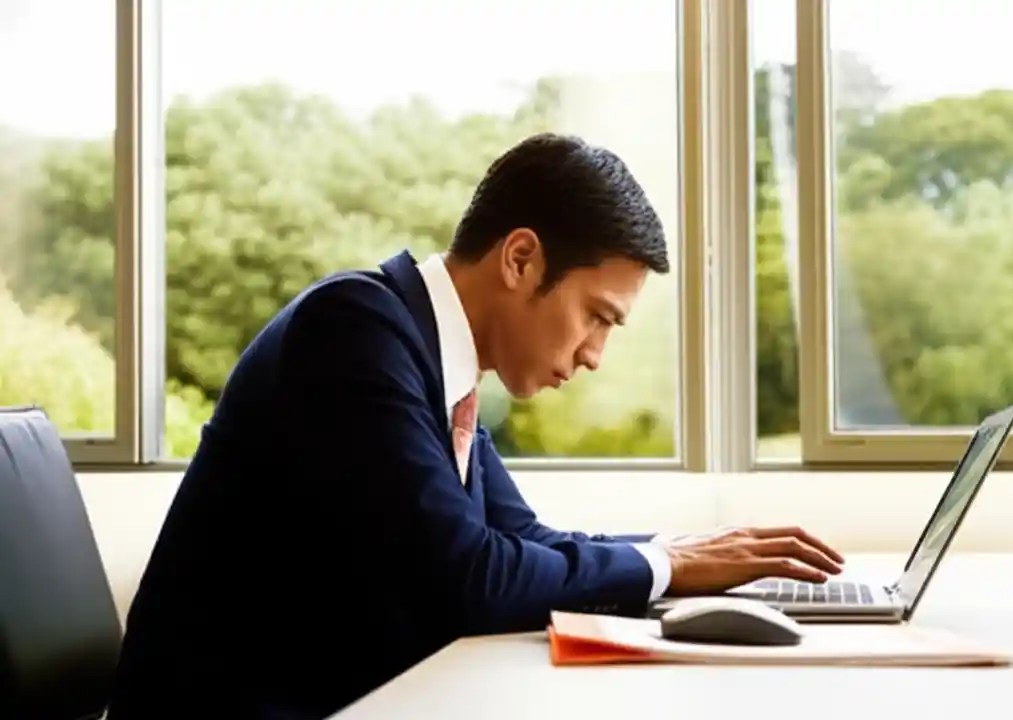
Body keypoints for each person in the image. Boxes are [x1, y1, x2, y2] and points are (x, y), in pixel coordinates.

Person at [108, 133, 844, 718]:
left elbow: (520, 540)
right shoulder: (353, 330)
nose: (593, 355)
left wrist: (675, 554)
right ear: (521, 258)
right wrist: (670, 567)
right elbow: (468, 578)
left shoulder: (430, 357)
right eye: (597, 317)